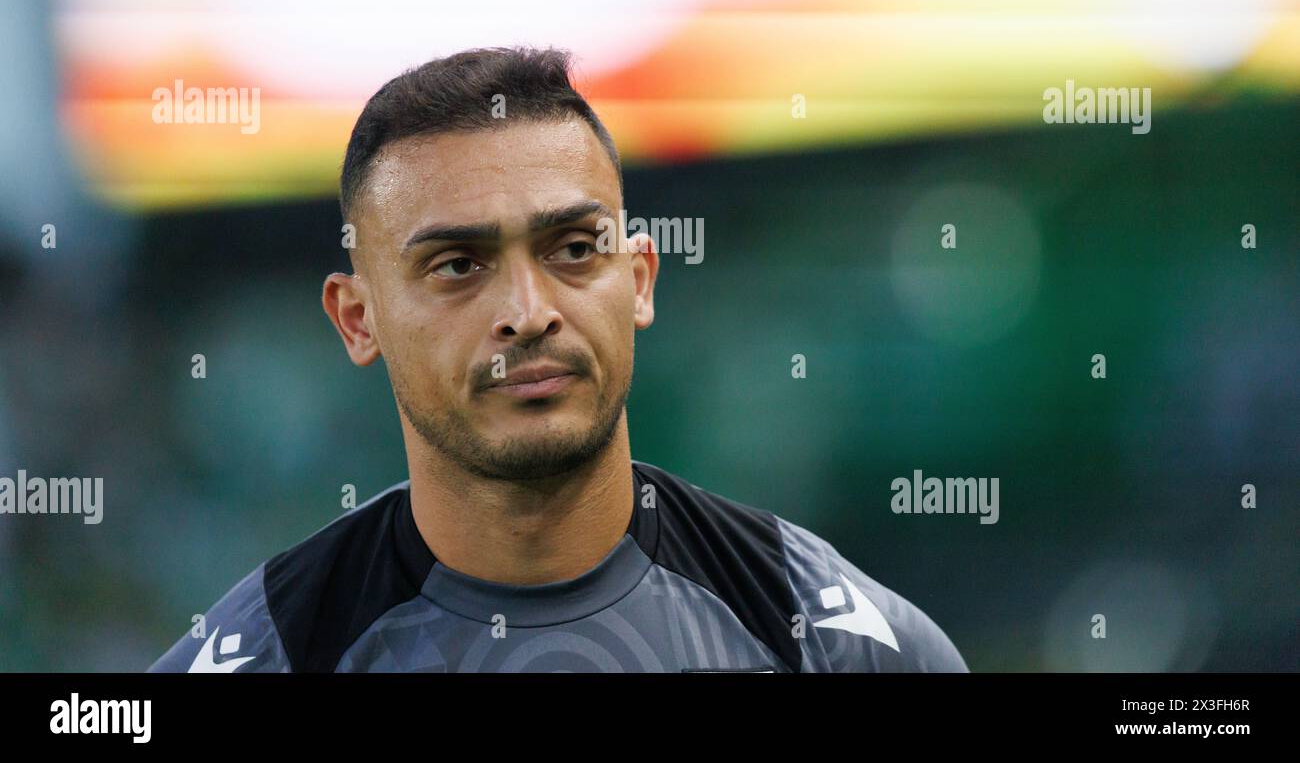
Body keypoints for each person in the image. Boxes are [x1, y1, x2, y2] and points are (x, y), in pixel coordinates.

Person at [148, 46, 968, 672]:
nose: (529, 314)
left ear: (639, 280)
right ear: (358, 319)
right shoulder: (271, 649)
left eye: (574, 248)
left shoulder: (828, 634)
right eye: (458, 265)